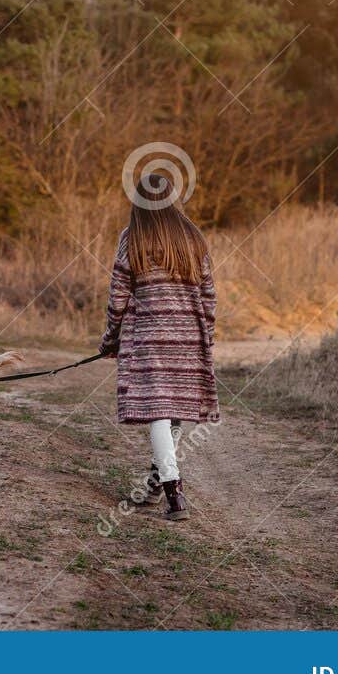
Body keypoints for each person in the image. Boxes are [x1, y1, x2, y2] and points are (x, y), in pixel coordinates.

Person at [98, 172, 219, 521]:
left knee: (158, 412)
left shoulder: (131, 239)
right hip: (188, 335)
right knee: (173, 409)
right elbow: (208, 295)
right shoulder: (194, 238)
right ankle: (155, 482)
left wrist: (110, 338)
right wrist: (206, 336)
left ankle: (174, 493)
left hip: (150, 337)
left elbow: (118, 296)